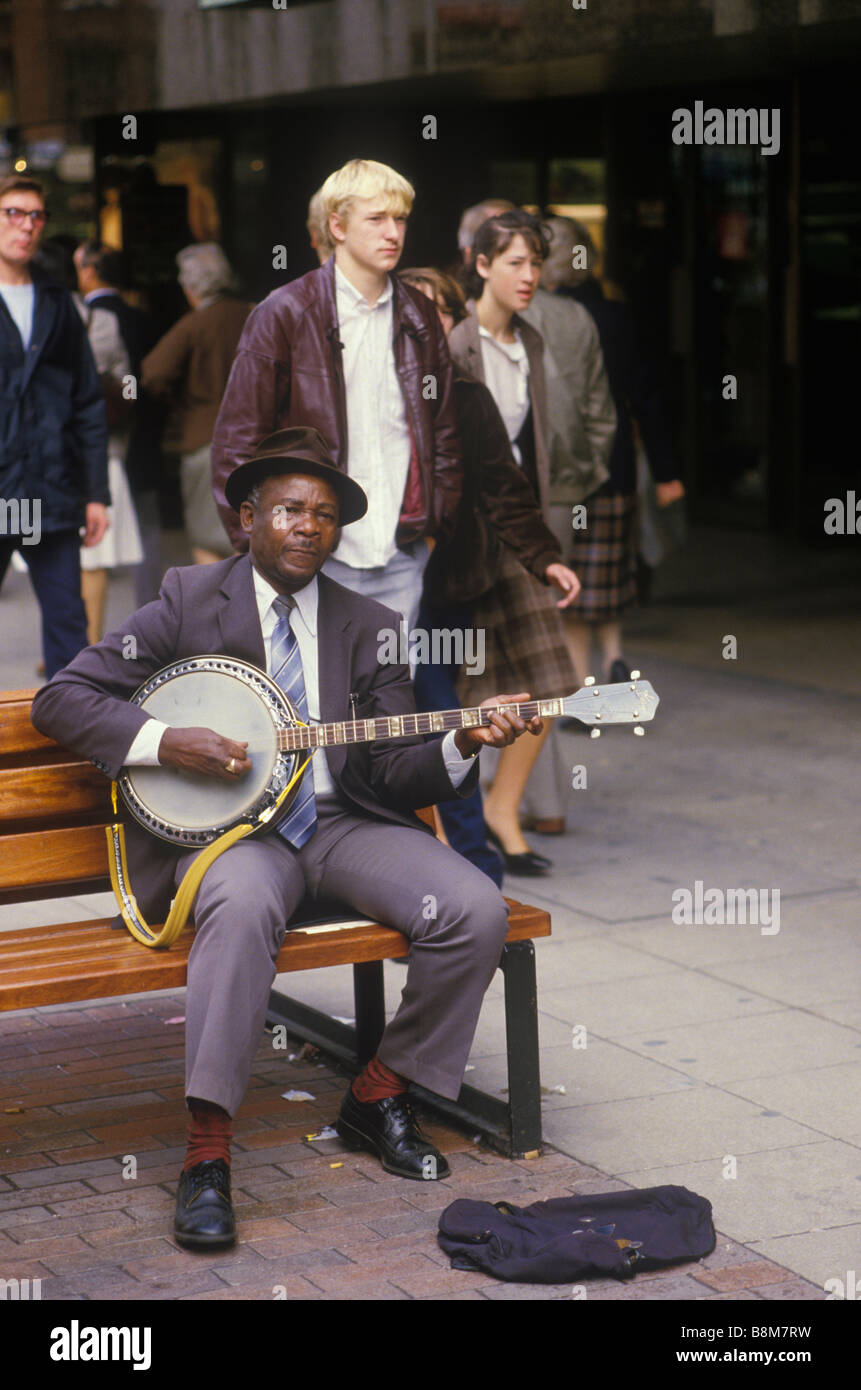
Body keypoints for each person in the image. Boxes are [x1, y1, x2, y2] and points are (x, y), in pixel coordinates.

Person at [30, 427, 542, 1250]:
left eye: (326, 515)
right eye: (292, 509)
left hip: (342, 826)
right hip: (237, 836)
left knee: (474, 908)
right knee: (238, 910)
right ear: (246, 519)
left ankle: (379, 1092)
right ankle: (206, 1154)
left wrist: (464, 742)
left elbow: (398, 769)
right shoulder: (190, 600)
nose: (310, 526)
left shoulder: (371, 622)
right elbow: (64, 698)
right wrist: (169, 741)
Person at [211, 158, 462, 636]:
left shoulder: (420, 314)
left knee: (389, 702)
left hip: (399, 547)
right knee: (311, 702)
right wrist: (257, 546)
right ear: (337, 225)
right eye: (377, 218)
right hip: (307, 549)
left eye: (401, 218)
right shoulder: (283, 312)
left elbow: (444, 430)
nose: (393, 232)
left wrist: (431, 529)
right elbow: (236, 444)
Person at [400, 266, 581, 883]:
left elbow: (506, 486)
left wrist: (543, 555)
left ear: (453, 323)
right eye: (413, 311)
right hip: (377, 585)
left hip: (449, 586)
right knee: (412, 720)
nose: (426, 323)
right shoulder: (370, 389)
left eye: (440, 312)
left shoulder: (467, 395)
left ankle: (470, 869)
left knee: (447, 715)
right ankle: (434, 870)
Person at [447, 211, 580, 872]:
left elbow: (531, 448)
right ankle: (456, 828)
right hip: (462, 541)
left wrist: (545, 545)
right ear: (480, 265)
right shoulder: (452, 342)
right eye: (514, 264)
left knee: (551, 680)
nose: (529, 277)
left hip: (518, 529)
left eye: (535, 264)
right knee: (464, 687)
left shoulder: (528, 340)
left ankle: (503, 808)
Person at [544, 217, 685, 685]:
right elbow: (648, 396)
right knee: (607, 574)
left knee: (570, 583)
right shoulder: (617, 316)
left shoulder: (539, 318)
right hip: (616, 464)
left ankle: (583, 686)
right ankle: (616, 655)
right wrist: (667, 472)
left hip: (560, 469)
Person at [0, 174, 109, 679]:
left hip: (51, 489)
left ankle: (75, 744)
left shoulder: (57, 301)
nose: (25, 226)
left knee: (69, 624)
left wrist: (96, 494)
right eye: (13, 214)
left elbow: (88, 399)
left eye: (35, 216)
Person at [141, 244, 254, 565]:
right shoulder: (255, 313)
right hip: (258, 440)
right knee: (249, 533)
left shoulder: (194, 325)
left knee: (208, 537)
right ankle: (251, 609)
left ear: (189, 288)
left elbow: (152, 372)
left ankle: (220, 613)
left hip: (205, 439)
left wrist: (178, 399)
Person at [74, 239, 166, 609]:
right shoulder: (142, 318)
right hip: (139, 433)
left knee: (89, 543)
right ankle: (150, 616)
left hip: (95, 441)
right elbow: (139, 381)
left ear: (90, 271)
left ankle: (83, 632)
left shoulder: (78, 320)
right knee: (145, 524)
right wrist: (129, 398)